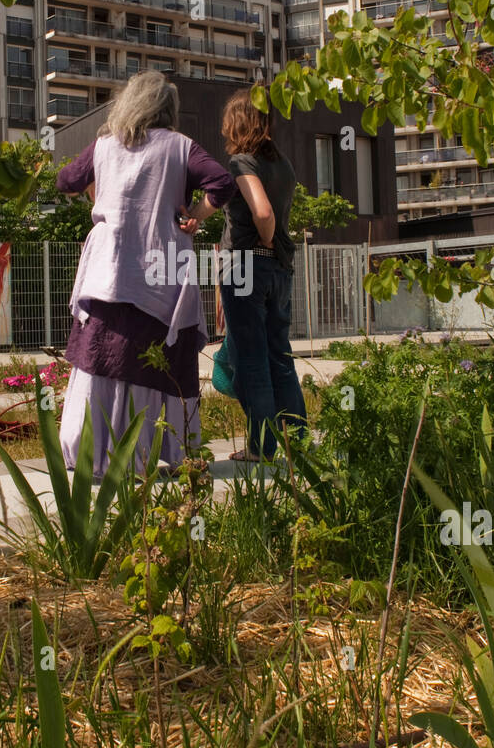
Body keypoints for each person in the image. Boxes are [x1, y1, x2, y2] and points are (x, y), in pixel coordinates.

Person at [56, 71, 236, 475]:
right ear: (167, 111)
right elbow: (222, 183)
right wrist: (196, 215)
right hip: (160, 275)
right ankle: (154, 451)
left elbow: (66, 180)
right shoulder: (180, 147)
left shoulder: (104, 146)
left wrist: (97, 193)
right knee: (159, 360)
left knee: (101, 357)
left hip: (108, 272)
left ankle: (92, 450)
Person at [212, 87, 306, 461]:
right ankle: (296, 441)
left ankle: (261, 446)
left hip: (247, 266)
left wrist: (261, 242)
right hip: (279, 269)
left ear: (238, 124)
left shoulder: (242, 163)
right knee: (279, 355)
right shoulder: (283, 164)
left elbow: (263, 213)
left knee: (251, 358)